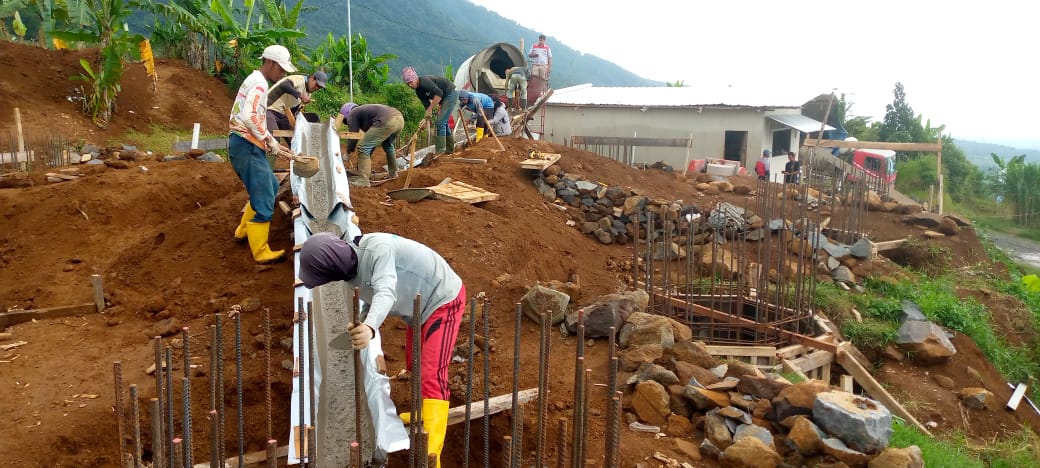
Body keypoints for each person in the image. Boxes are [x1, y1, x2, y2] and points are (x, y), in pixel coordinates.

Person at [298, 232, 466, 468]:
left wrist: (369, 327)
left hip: (442, 299)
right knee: (414, 362)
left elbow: (386, 291)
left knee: (431, 374)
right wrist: (363, 319)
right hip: (416, 306)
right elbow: (372, 294)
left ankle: (431, 456)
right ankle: (422, 414)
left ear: (333, 266)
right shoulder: (351, 272)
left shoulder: (378, 250)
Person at [228, 44, 296, 264]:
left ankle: (242, 231)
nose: (282, 74)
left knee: (272, 186)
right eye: (281, 69)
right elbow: (249, 116)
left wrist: (269, 142)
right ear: (270, 63)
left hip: (247, 144)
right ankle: (261, 251)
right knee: (265, 194)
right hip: (245, 144)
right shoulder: (259, 83)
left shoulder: (255, 79)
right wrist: (269, 138)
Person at [339, 102, 405, 187]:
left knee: (362, 147)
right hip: (399, 119)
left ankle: (363, 180)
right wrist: (360, 168)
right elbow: (371, 144)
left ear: (346, 114)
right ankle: (393, 173)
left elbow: (353, 136)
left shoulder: (352, 114)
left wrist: (347, 153)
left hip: (387, 120)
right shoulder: (365, 114)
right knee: (388, 146)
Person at [402, 67, 459, 155]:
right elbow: (427, 107)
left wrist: (430, 109)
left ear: (415, 78)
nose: (410, 85)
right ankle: (450, 149)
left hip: (450, 94)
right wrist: (425, 120)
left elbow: (439, 93)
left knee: (440, 122)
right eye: (408, 84)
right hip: (443, 98)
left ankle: (440, 152)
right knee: (443, 123)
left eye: (411, 82)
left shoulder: (424, 81)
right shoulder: (418, 91)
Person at [266, 71, 328, 137]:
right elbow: (284, 84)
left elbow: (294, 109)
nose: (316, 88)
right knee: (273, 137)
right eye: (316, 85)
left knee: (294, 138)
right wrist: (301, 96)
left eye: (319, 87)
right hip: (270, 109)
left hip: (283, 114)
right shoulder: (299, 79)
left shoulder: (308, 93)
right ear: (312, 78)